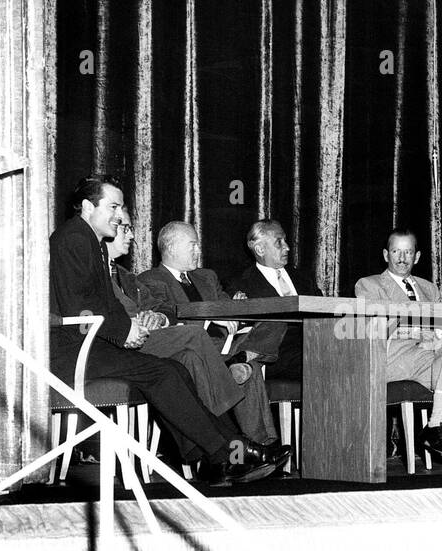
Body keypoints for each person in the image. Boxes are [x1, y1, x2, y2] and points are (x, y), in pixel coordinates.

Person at [49, 176, 282, 486]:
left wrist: (126, 327)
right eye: (113, 207)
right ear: (89, 206)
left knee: (174, 369)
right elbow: (78, 305)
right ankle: (225, 452)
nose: (120, 216)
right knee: (163, 373)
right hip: (73, 350)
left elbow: (105, 303)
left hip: (91, 342)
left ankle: (218, 458)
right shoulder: (74, 238)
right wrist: (123, 332)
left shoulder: (90, 241)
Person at [107, 213, 286, 464]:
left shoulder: (207, 277)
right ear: (171, 247)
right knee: (249, 369)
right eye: (192, 244)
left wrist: (237, 307)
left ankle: (238, 364)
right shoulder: (151, 279)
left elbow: (229, 307)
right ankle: (252, 448)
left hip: (226, 345)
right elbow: (166, 314)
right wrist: (211, 318)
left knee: (275, 320)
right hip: (194, 343)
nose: (198, 250)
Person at [353, 229, 442, 476]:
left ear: (417, 256)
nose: (402, 257)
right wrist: (417, 334)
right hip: (391, 357)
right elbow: (370, 329)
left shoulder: (429, 289)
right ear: (385, 254)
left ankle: (439, 429)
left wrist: (441, 336)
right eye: (396, 251)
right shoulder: (369, 285)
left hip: (427, 356)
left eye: (408, 251)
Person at [226, 220, 322, 381]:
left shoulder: (304, 279)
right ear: (260, 249)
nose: (287, 247)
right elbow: (239, 330)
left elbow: (322, 313)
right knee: (323, 362)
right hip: (275, 355)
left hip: (315, 344)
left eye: (285, 241)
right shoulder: (239, 284)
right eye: (279, 242)